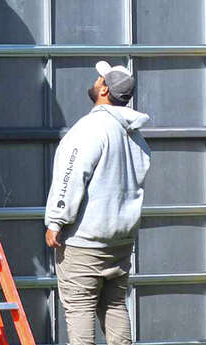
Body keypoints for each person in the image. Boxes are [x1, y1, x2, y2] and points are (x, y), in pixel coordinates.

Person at [45, 62, 151, 345]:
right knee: (115, 306)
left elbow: (70, 176)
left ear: (104, 89)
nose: (95, 80)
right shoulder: (133, 134)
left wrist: (56, 220)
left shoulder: (90, 128)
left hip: (84, 242)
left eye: (99, 77)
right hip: (120, 241)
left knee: (79, 309)